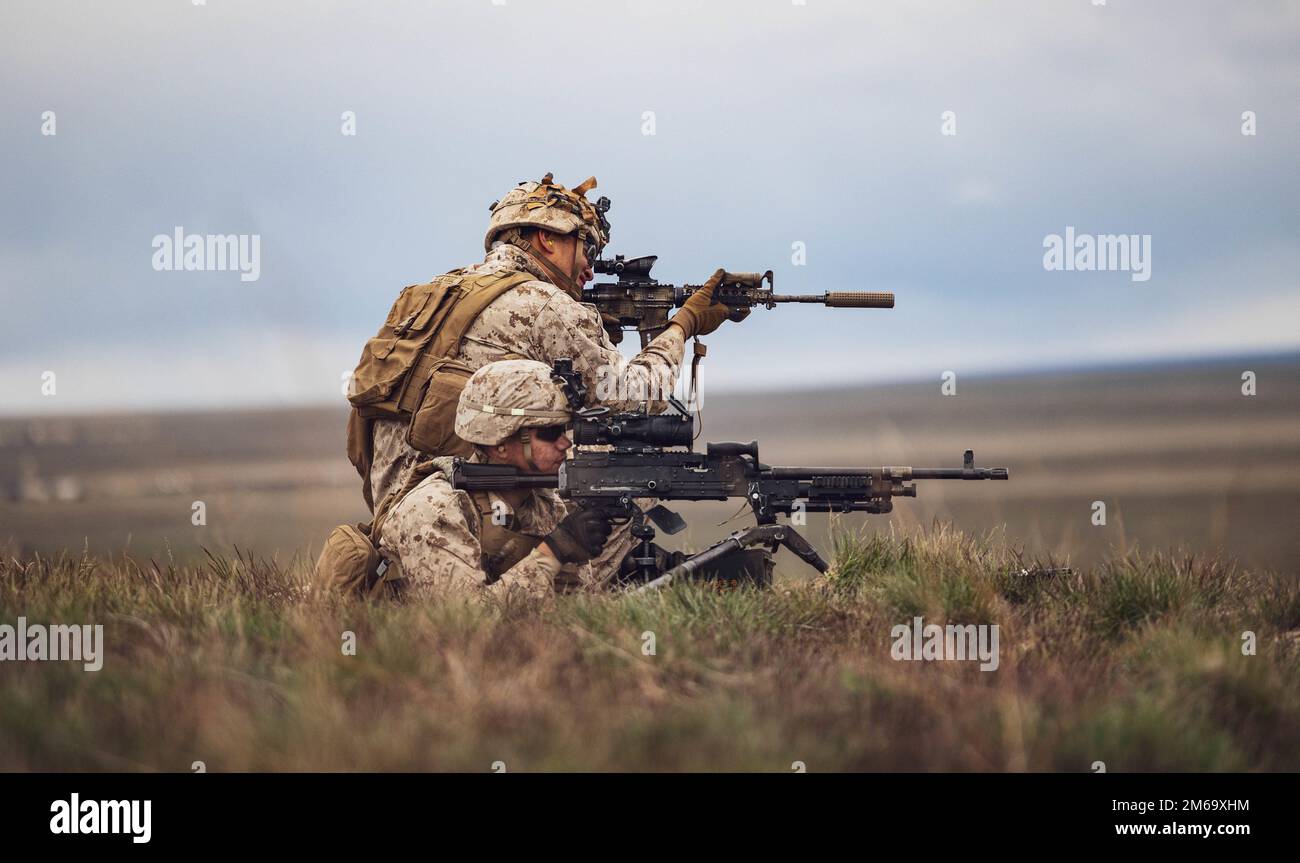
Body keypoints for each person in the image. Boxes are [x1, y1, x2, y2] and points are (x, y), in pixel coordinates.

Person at [377, 359, 613, 601]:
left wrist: (574, 554)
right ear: (500, 444)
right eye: (550, 433)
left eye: (564, 430)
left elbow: (574, 609)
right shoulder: (435, 509)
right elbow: (466, 621)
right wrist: (552, 552)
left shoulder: (543, 503)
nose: (565, 443)